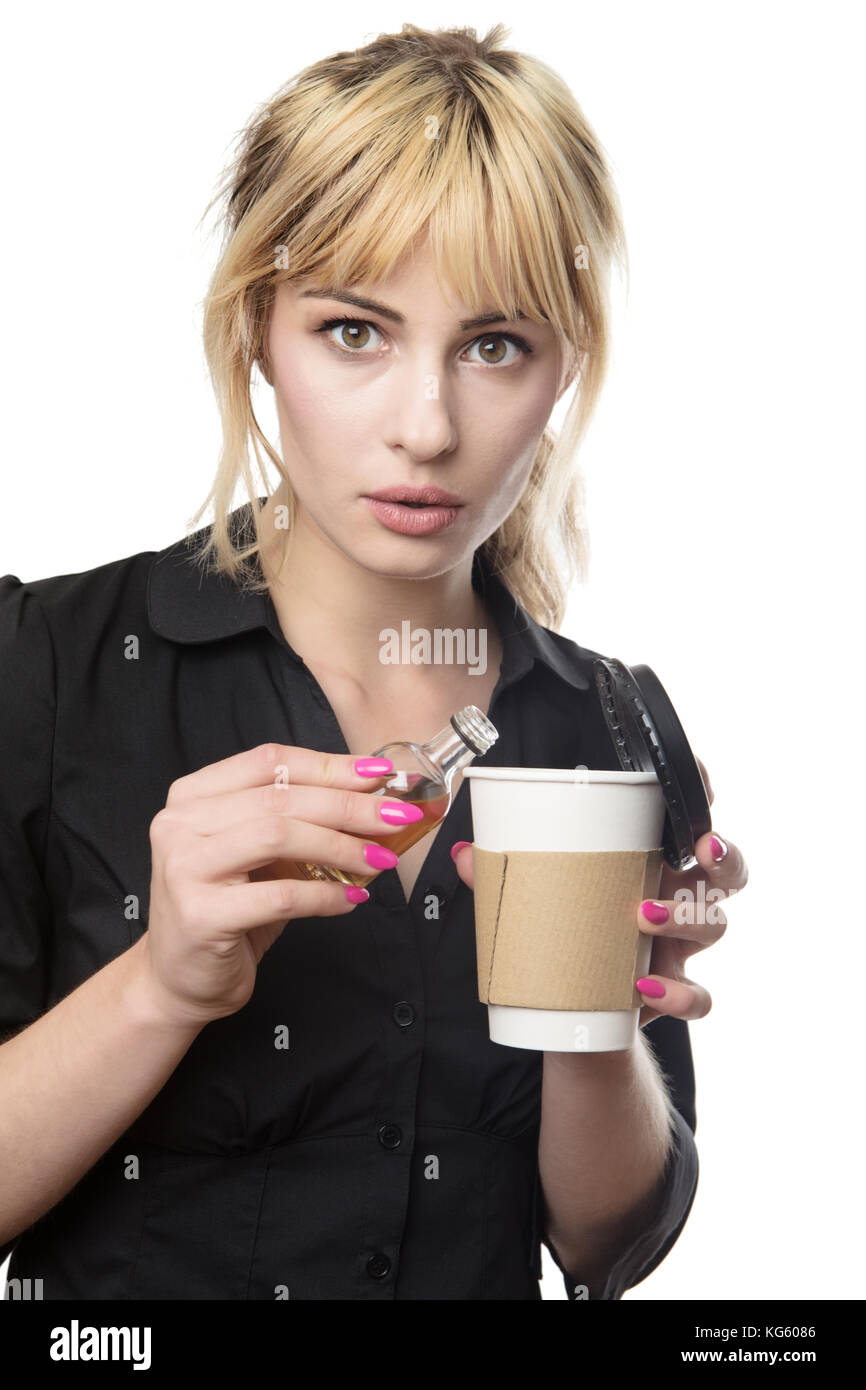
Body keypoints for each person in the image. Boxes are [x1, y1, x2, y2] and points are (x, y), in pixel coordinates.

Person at [0, 22, 747, 1301]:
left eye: (495, 344)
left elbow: (604, 1247)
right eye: (355, 331)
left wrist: (596, 1024)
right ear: (256, 329)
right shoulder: (44, 668)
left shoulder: (613, 724)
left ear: (563, 366)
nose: (426, 426)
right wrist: (161, 983)